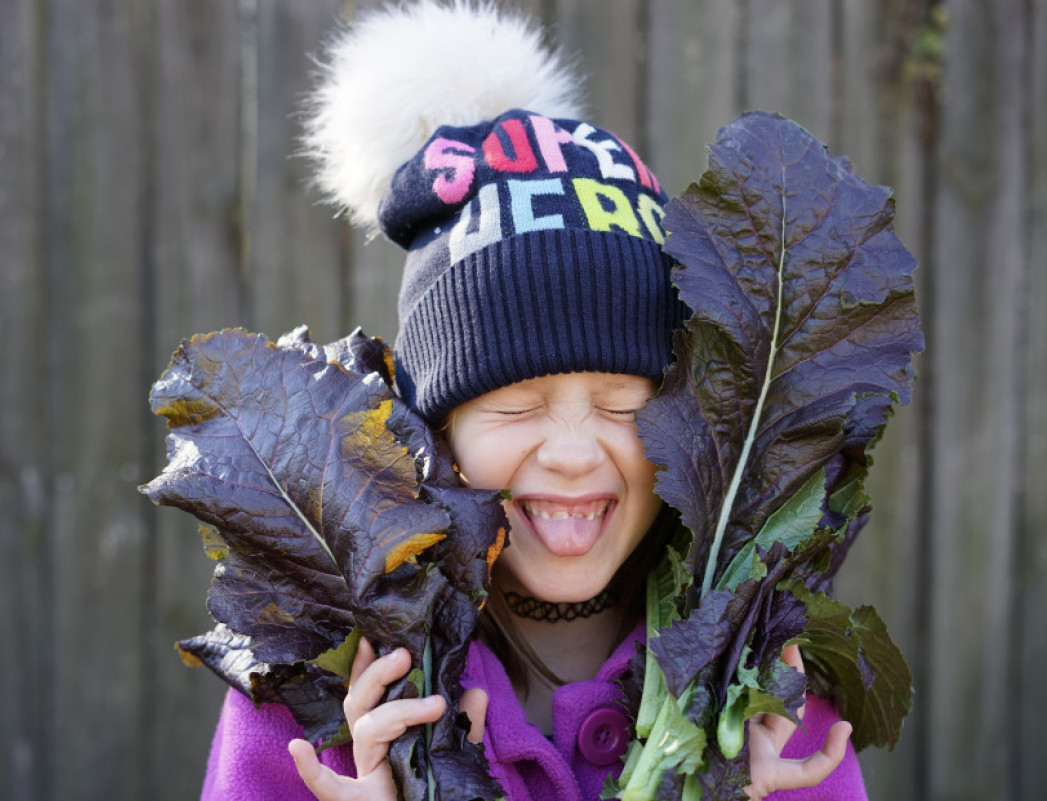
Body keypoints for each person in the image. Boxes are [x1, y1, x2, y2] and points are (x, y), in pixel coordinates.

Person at [201, 3, 866, 799]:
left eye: (623, 402)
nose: (576, 451)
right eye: (518, 405)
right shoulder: (320, 700)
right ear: (434, 430)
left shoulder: (774, 697)